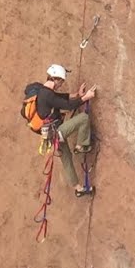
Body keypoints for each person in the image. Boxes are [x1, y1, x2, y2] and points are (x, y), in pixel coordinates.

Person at [27, 63, 98, 197]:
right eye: (61, 81)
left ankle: (79, 189)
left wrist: (77, 94)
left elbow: (61, 98)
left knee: (67, 159)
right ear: (56, 79)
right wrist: (85, 98)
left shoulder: (44, 92)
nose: (61, 84)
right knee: (83, 118)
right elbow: (68, 105)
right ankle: (81, 145)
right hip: (56, 132)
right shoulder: (48, 95)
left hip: (51, 137)